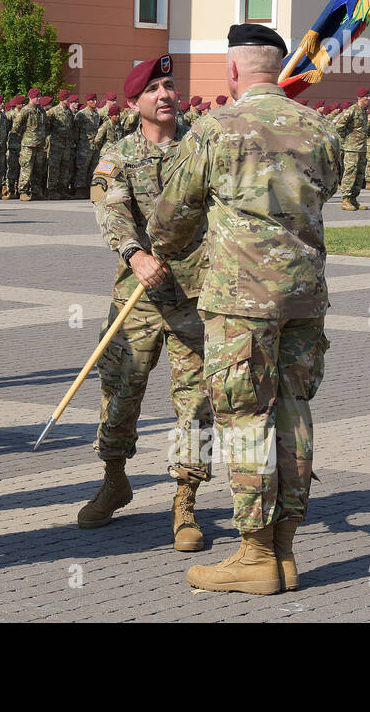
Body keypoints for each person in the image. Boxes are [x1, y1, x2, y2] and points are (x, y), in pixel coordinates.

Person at [147, 24, 341, 595]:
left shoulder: (215, 128)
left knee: (245, 416)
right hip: (305, 295)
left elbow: (171, 215)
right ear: (278, 71)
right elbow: (327, 189)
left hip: (241, 301)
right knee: (294, 412)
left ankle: (255, 555)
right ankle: (284, 552)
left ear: (232, 72)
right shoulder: (320, 129)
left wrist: (170, 245)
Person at [82, 55, 213, 550]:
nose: (165, 94)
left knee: (196, 402)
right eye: (154, 88)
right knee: (119, 395)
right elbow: (111, 212)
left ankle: (185, 500)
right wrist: (135, 255)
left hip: (196, 296)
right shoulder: (117, 155)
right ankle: (114, 481)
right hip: (136, 299)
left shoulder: (200, 149)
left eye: (170, 86)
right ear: (134, 103)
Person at [334, 88, 370, 210]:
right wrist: (346, 139)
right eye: (366, 97)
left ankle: (354, 199)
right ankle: (345, 200)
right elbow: (338, 126)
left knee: (359, 175)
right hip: (352, 149)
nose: (368, 99)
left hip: (362, 148)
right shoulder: (352, 110)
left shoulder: (364, 111)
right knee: (350, 173)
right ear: (360, 98)